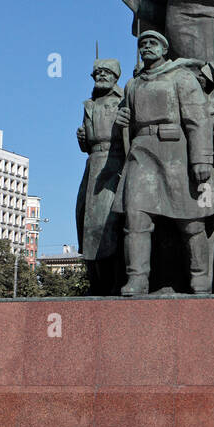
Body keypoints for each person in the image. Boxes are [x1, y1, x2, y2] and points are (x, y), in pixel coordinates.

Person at [112, 30, 214, 296]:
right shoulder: (132, 84)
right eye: (143, 44)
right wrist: (121, 121)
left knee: (191, 220)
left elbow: (198, 119)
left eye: (153, 43)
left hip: (175, 152)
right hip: (141, 153)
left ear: (164, 49)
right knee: (135, 217)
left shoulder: (181, 77)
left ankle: (200, 277)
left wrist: (201, 158)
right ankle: (137, 278)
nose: (147, 47)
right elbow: (126, 124)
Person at [74, 58, 125, 294]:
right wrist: (83, 139)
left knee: (109, 223)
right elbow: (86, 147)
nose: (101, 76)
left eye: (106, 72)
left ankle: (114, 282)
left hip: (113, 162)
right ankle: (96, 282)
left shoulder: (123, 100)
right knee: (84, 219)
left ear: (115, 76)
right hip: (92, 164)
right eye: (97, 73)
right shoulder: (89, 104)